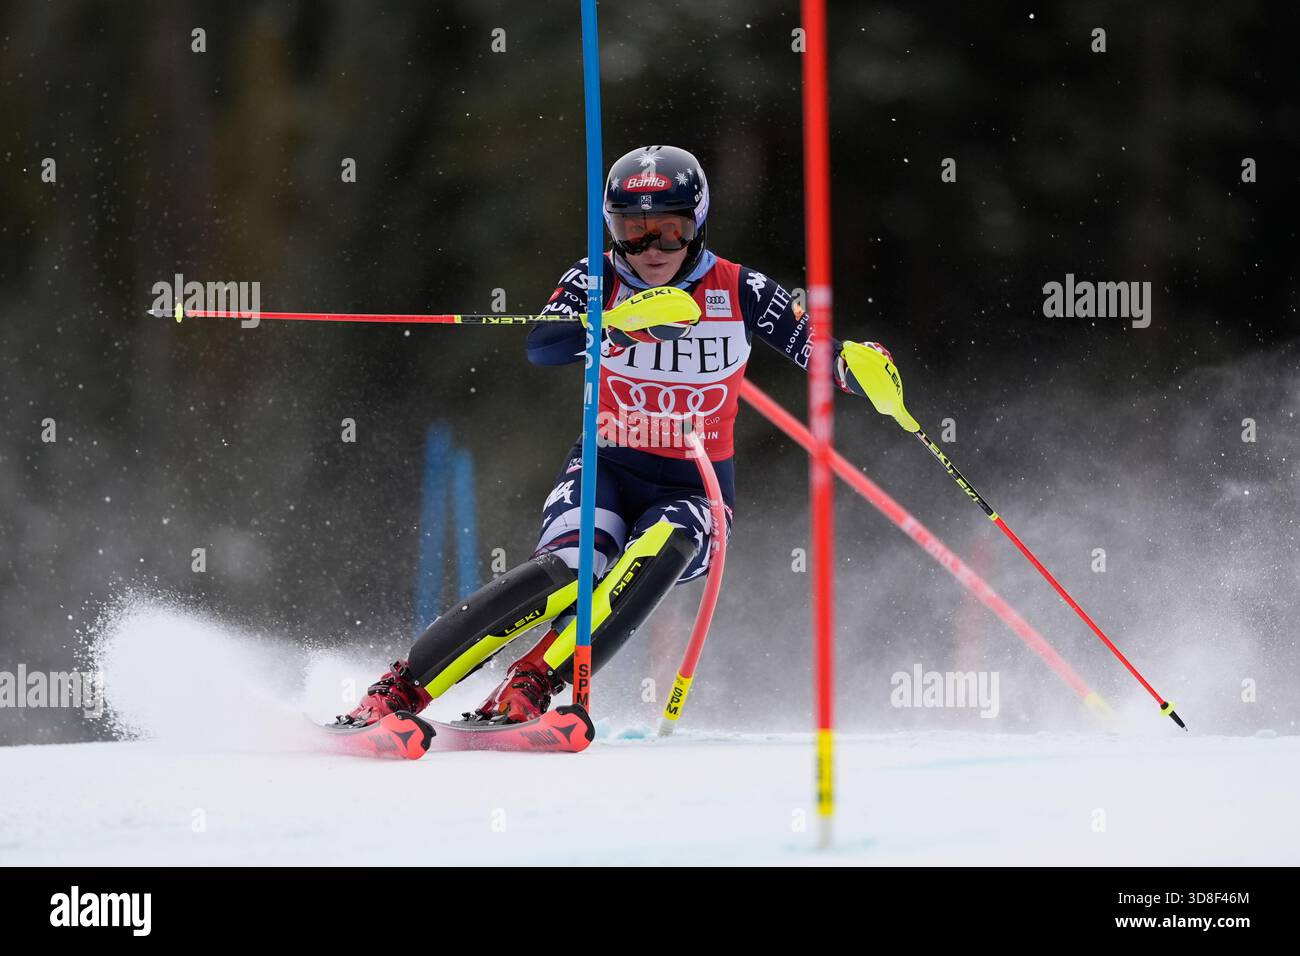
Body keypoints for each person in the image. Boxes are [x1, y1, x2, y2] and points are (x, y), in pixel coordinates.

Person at [335, 144, 904, 727]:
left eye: (670, 232)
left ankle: (531, 684)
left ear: (698, 227)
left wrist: (859, 369)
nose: (651, 250)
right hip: (607, 468)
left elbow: (814, 350)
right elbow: (543, 345)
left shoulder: (740, 288)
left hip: (695, 486)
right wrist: (614, 330)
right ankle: (400, 691)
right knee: (571, 570)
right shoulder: (596, 278)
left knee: (666, 542)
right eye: (633, 232)